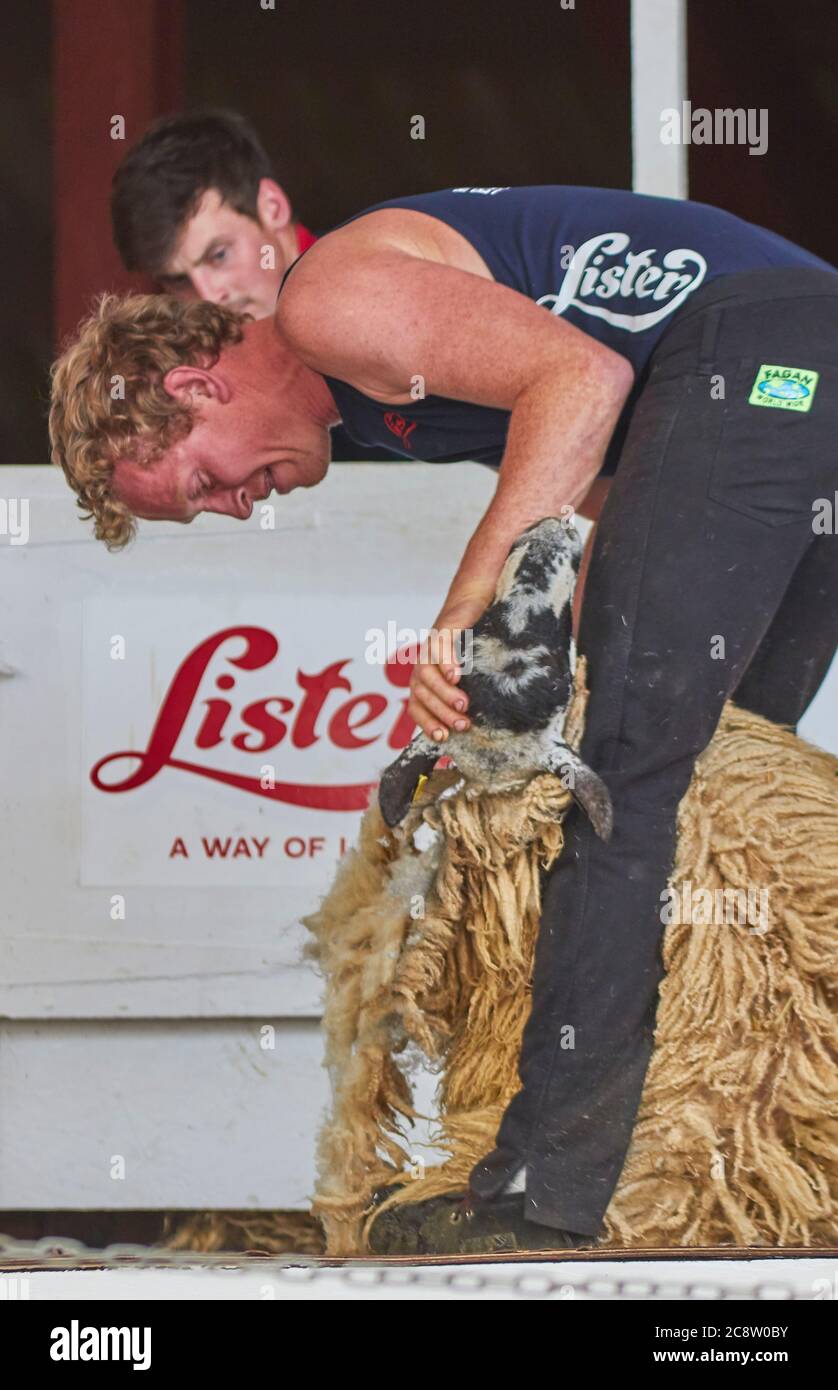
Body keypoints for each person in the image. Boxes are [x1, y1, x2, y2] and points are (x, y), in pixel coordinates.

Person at [50, 183, 838, 1254]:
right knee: (712, 773)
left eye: (201, 485)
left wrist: (460, 621)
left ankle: (547, 1197)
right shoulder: (383, 409)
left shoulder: (324, 302)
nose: (235, 507)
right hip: (785, 370)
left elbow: (582, 377)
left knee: (616, 780)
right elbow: (614, 490)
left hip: (767, 348)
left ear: (194, 385)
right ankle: (698, 1164)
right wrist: (546, 661)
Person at [110, 106, 397, 460]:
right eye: (178, 280)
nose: (209, 294)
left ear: (272, 207)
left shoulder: (383, 292)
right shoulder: (187, 377)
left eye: (219, 256)